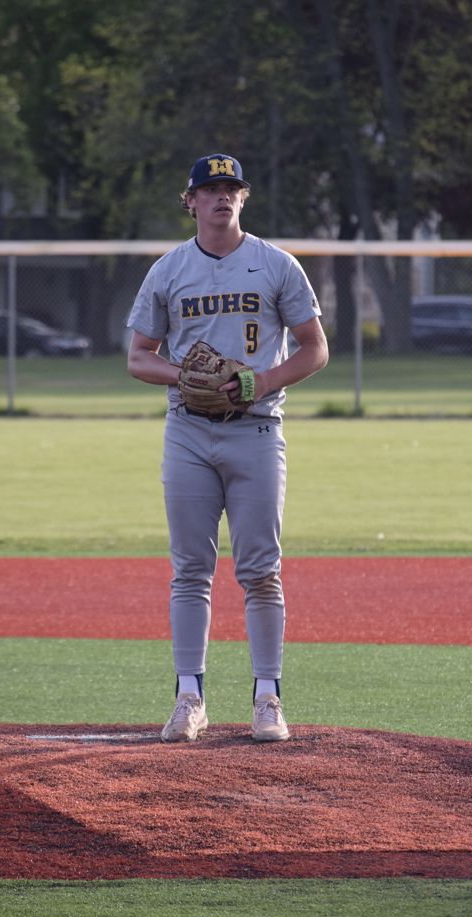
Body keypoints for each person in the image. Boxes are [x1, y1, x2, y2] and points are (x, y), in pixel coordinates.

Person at [127, 153, 329, 744]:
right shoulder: (168, 271)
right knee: (190, 569)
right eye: (209, 188)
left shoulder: (275, 265)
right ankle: (189, 696)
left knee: (261, 571)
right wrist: (182, 377)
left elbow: (315, 347)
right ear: (189, 200)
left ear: (244, 198)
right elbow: (139, 356)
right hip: (188, 431)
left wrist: (264, 381)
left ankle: (268, 697)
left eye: (230, 188)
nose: (221, 197)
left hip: (257, 429)